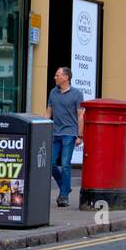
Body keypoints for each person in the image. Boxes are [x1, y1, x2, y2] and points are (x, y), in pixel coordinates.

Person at [46, 66, 85, 207]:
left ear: (66, 78)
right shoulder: (53, 92)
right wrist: (42, 128)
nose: (55, 77)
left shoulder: (77, 94)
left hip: (69, 133)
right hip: (55, 133)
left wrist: (80, 135)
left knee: (65, 164)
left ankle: (63, 196)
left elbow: (80, 116)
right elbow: (48, 112)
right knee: (50, 163)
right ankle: (65, 186)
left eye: (57, 75)